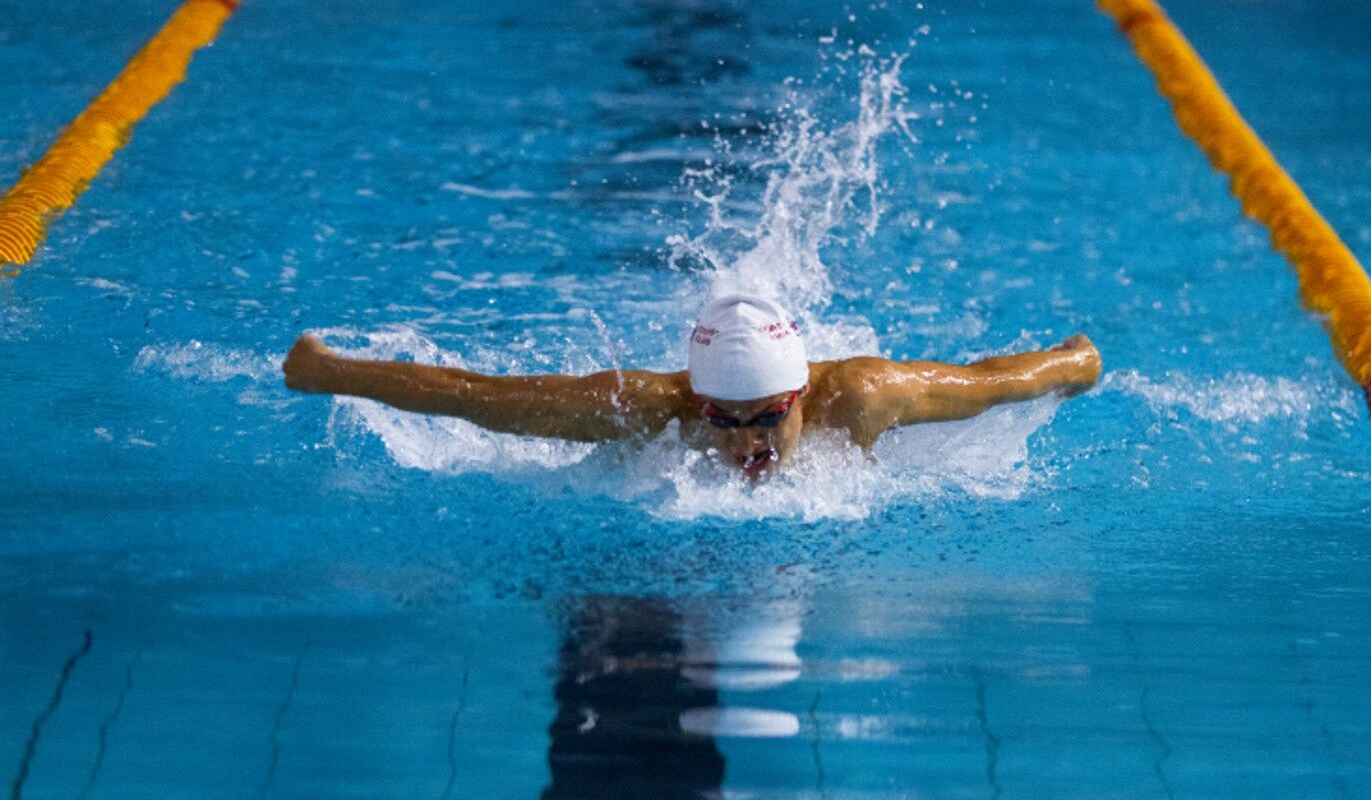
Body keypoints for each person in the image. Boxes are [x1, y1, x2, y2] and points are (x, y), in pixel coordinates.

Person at [282, 293, 1101, 479]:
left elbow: (990, 383)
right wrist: (331, 373)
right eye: (723, 418)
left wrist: (1074, 364)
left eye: (766, 417)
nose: (747, 442)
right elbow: (480, 398)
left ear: (801, 395)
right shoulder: (646, 409)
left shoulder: (863, 394)